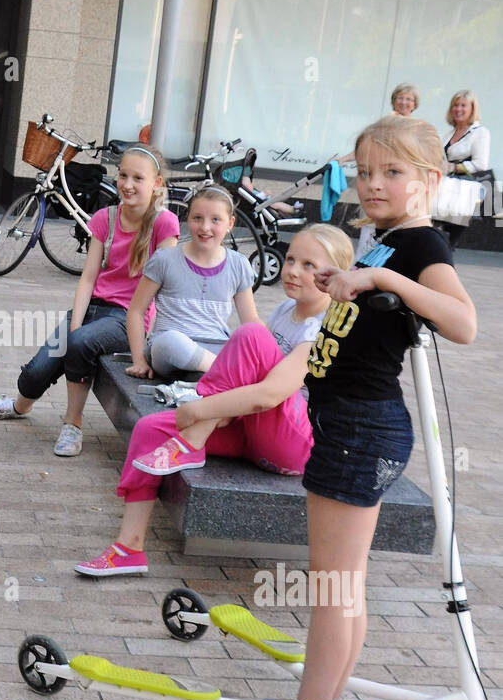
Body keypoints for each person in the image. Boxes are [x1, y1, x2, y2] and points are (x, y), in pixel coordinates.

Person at [229, 115, 476, 700]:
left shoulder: (420, 247)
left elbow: (464, 323)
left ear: (430, 179)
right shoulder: (381, 238)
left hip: (360, 430)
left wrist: (383, 280)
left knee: (332, 586)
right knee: (344, 583)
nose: (372, 184)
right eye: (365, 171)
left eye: (392, 172)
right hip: (347, 424)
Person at [75, 224, 353, 577]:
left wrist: (201, 410)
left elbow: (270, 393)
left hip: (295, 442)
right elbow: (253, 378)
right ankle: (128, 548)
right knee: (150, 429)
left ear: (335, 273)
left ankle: (194, 437)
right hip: (257, 430)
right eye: (292, 260)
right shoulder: (286, 310)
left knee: (249, 333)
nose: (294, 270)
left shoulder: (325, 326)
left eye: (310, 265)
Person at [0, 145, 179, 455]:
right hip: (93, 309)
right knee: (36, 372)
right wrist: (76, 324)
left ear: (157, 183)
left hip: (126, 319)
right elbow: (88, 278)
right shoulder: (105, 217)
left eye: (138, 178)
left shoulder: (164, 225)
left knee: (81, 343)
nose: (127, 184)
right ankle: (18, 406)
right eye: (123, 175)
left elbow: (165, 283)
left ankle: (73, 424)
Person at [125, 185, 259, 383]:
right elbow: (136, 311)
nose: (205, 227)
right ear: (188, 219)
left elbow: (251, 321)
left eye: (215, 220)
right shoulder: (165, 259)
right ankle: (229, 372)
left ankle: (213, 370)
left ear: (230, 223)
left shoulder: (238, 264)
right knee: (170, 341)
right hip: (169, 351)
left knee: (243, 342)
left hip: (215, 347)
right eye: (198, 218)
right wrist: (139, 359)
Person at [434, 89, 492, 250]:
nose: (458, 109)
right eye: (455, 105)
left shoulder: (480, 133)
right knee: (434, 237)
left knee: (448, 242)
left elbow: (481, 164)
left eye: (463, 105)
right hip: (443, 191)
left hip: (464, 193)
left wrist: (453, 167)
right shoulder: (449, 133)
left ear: (472, 109)